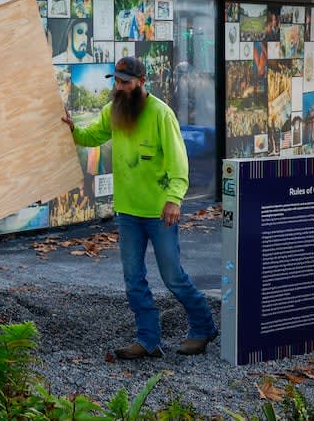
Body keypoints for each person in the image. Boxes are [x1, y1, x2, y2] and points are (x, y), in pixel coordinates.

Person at [60, 56, 217, 359]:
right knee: (133, 280)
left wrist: (174, 199)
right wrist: (73, 129)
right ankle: (148, 340)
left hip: (160, 212)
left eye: (126, 82)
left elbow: (178, 161)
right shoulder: (113, 111)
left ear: (142, 82)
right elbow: (93, 135)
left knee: (173, 277)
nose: (119, 87)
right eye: (116, 81)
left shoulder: (161, 114)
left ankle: (203, 326)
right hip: (129, 211)